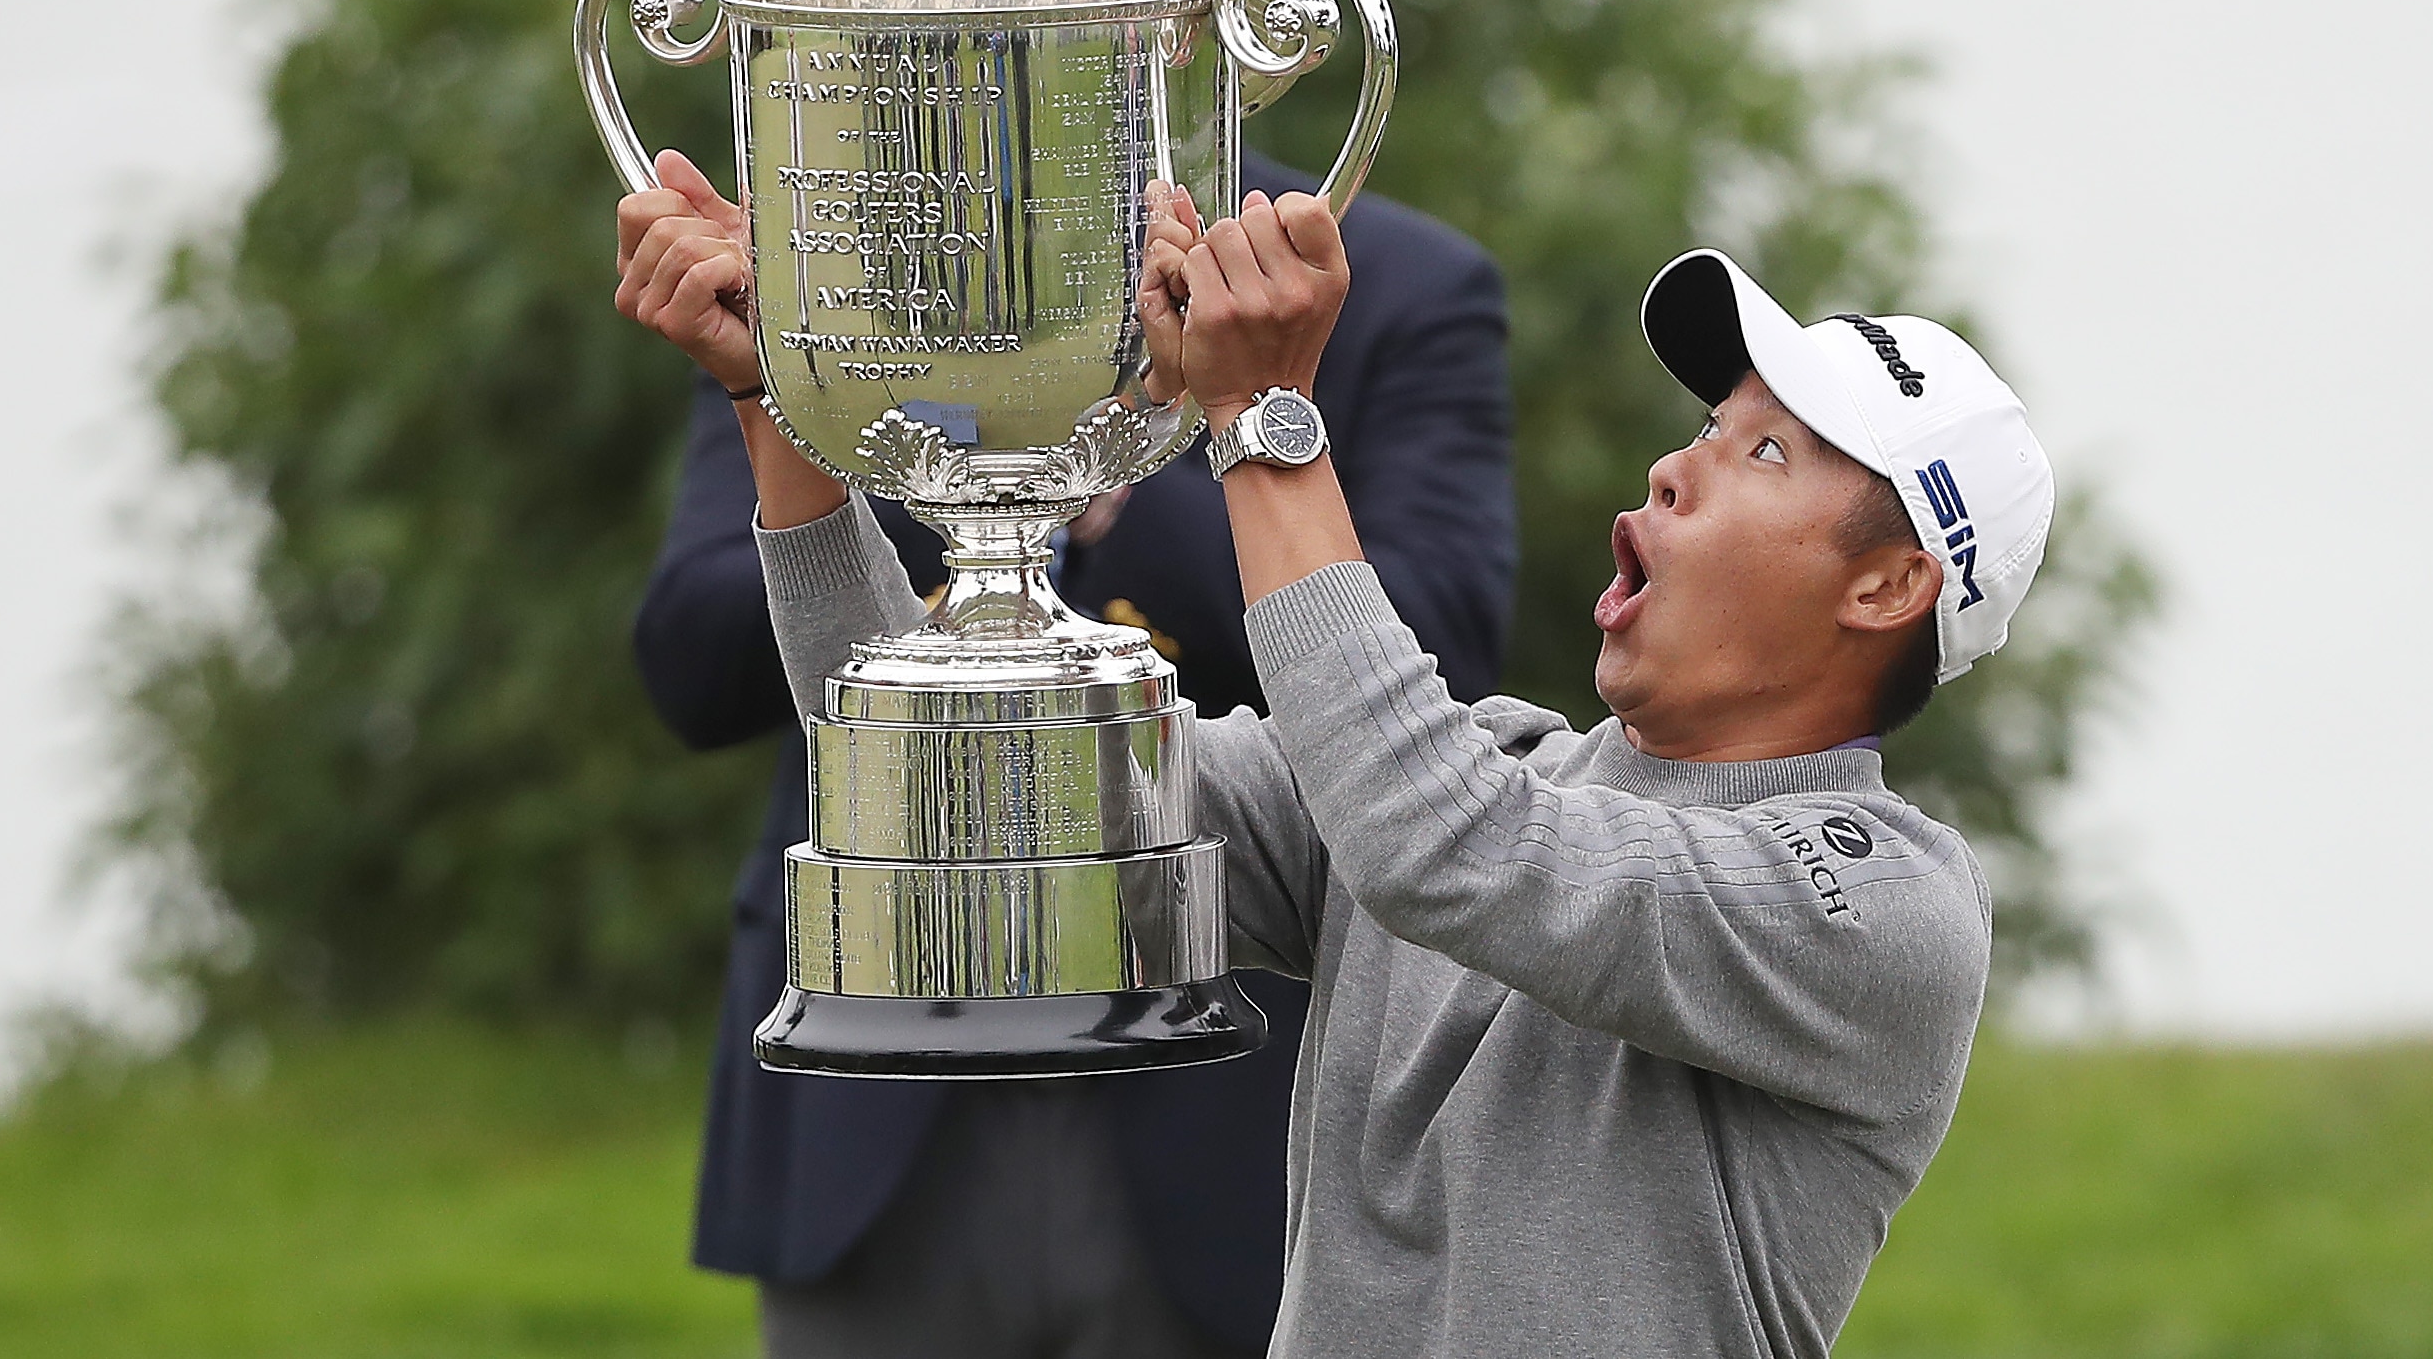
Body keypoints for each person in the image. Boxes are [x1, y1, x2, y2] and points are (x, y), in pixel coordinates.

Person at [617, 172, 2051, 1358]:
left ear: (1886, 591)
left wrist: (1263, 427)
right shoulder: (1493, 769)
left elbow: (1449, 849)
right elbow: (950, 794)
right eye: (1698, 428)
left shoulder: (1879, 902)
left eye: (1762, 454)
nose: (1675, 466)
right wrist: (775, 407)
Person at [635, 148, 1507, 1357]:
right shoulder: (814, 278)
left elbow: (1438, 672)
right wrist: (957, 456)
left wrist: (1159, 449)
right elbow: (692, 660)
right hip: (881, 1099)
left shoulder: (1393, 278)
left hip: (1227, 1098)